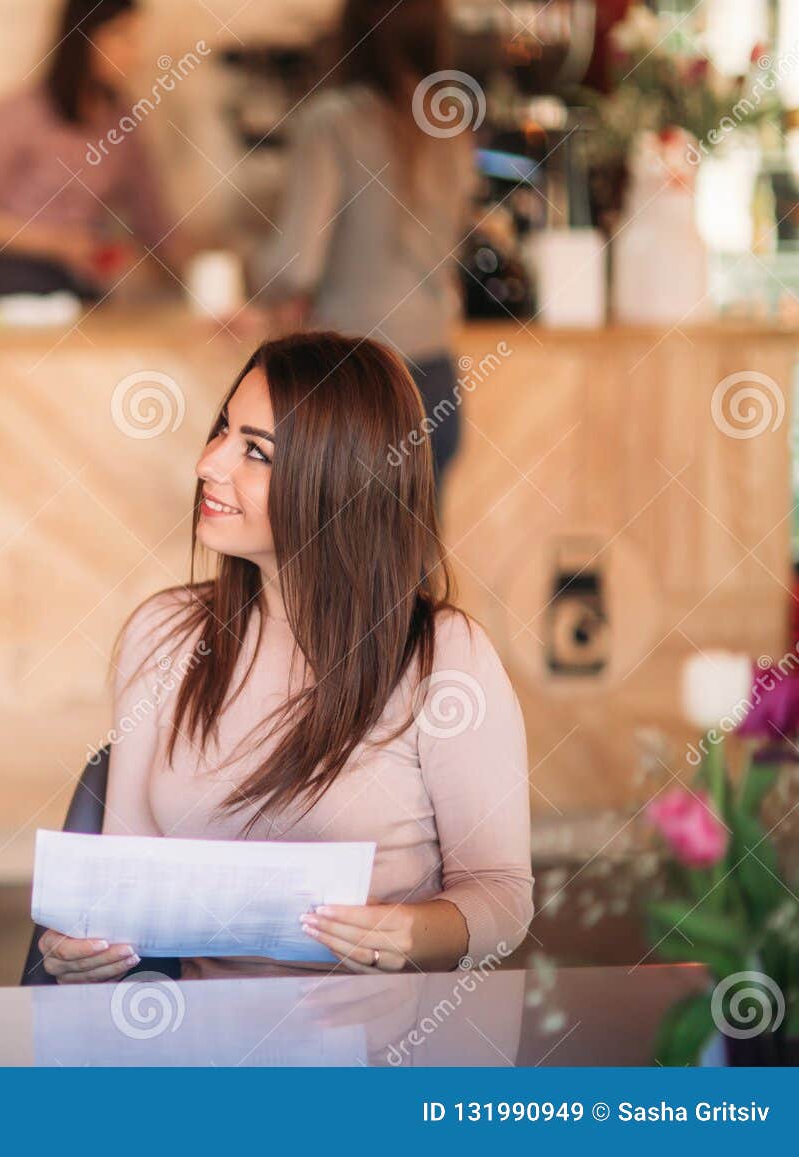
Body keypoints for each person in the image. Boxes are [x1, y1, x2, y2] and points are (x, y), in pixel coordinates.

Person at [39, 332, 533, 983]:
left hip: (379, 1054)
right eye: (223, 430)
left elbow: (501, 894)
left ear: (340, 481)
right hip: (196, 1051)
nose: (209, 464)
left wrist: (411, 930)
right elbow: (126, 877)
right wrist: (81, 943)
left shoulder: (445, 658)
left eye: (255, 452)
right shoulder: (162, 633)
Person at [248, 0, 478, 491]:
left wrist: (249, 274)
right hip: (435, 384)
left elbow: (295, 267)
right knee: (413, 565)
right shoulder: (452, 129)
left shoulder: (332, 123)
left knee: (335, 565)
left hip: (356, 387)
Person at [0, 0, 191, 299]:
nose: (135, 54)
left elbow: (154, 222)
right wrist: (59, 243)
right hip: (17, 280)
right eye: (122, 36)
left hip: (87, 282)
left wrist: (197, 271)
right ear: (84, 37)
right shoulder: (20, 114)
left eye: (137, 38)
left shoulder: (123, 121)